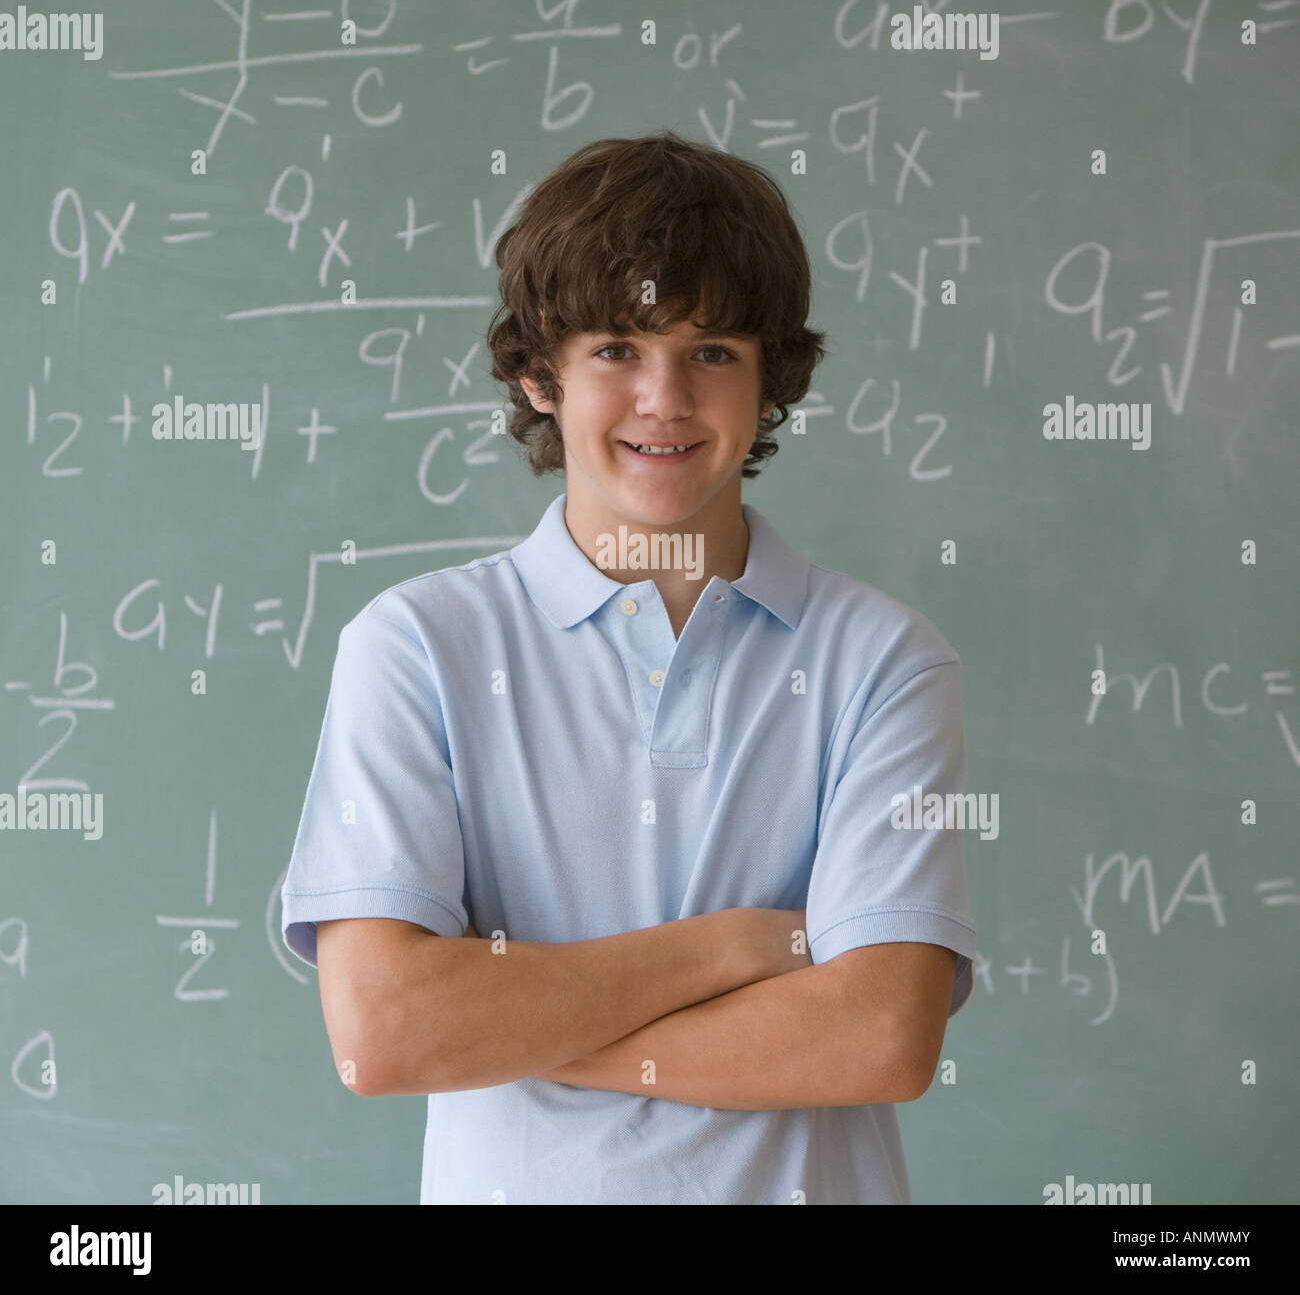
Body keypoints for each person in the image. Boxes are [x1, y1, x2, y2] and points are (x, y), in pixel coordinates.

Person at [281, 130, 976, 1204]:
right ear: (536, 373)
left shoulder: (886, 661)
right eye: (614, 347)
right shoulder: (415, 646)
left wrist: (503, 1024)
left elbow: (878, 1037)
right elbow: (385, 1033)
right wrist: (739, 947)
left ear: (770, 382)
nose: (664, 398)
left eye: (712, 351)